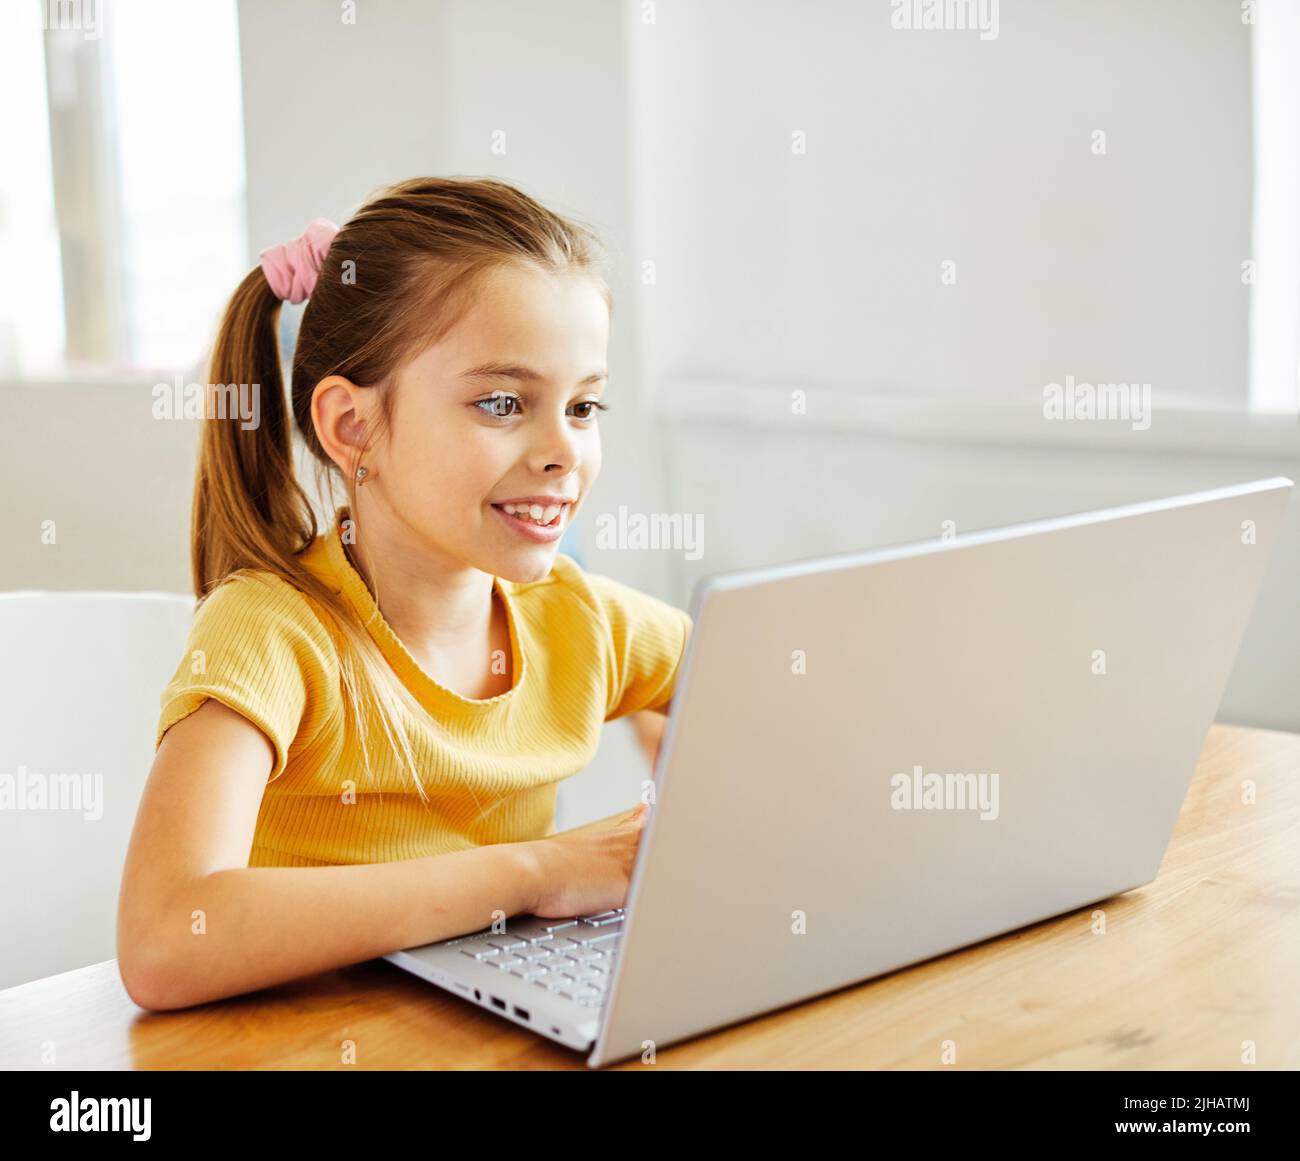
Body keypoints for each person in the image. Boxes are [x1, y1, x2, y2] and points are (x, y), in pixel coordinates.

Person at [116, 177, 690, 1012]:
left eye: (583, 404)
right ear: (352, 427)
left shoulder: (581, 616)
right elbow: (166, 937)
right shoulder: (272, 632)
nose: (564, 449)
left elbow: (772, 701)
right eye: (503, 403)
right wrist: (537, 871)